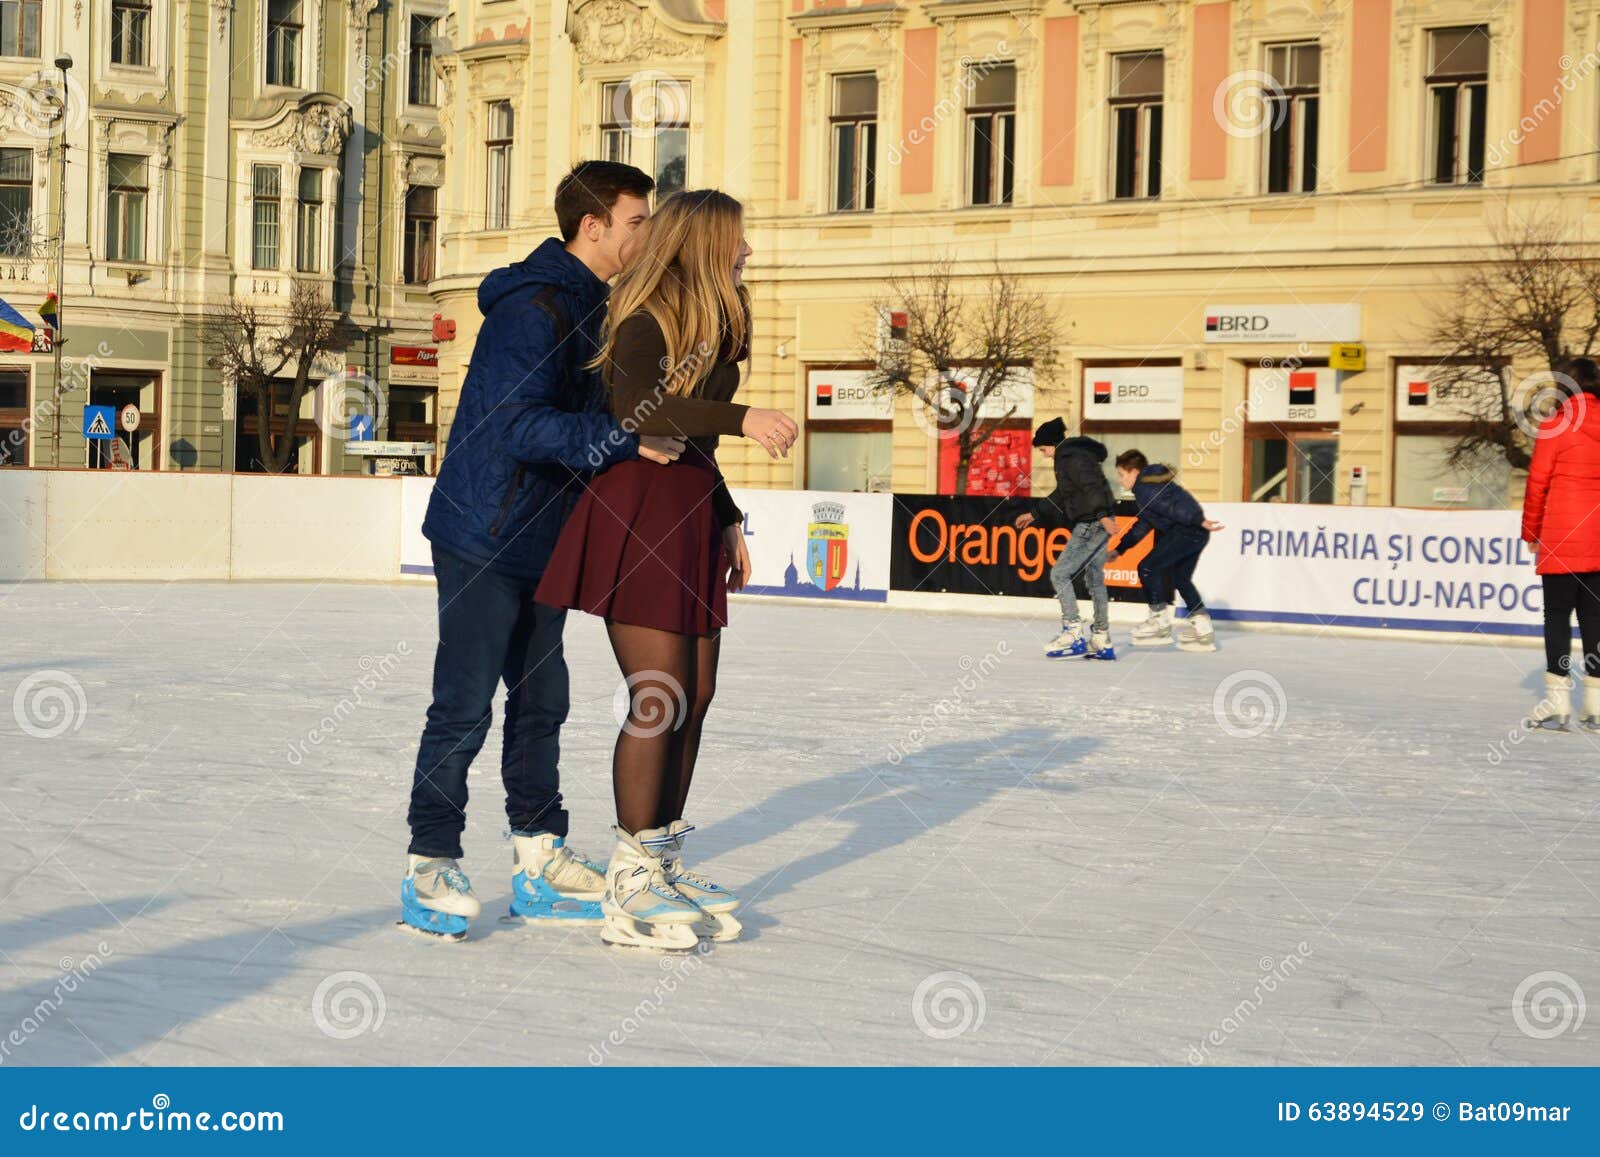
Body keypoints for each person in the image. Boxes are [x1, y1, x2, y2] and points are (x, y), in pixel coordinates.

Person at [401, 161, 689, 941]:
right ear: (592, 226)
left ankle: (538, 854)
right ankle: (430, 859)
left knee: (541, 703)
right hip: (485, 531)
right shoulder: (535, 307)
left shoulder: (603, 306)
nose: (645, 235)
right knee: (464, 704)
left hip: (546, 536)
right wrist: (622, 437)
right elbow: (517, 426)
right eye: (637, 222)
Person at [537, 189, 798, 950]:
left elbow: (695, 440)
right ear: (706, 243)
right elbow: (639, 411)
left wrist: (724, 516)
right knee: (660, 694)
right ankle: (629, 877)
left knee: (698, 692)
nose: (748, 252)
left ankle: (658, 853)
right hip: (636, 512)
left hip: (685, 509)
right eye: (738, 241)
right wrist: (744, 417)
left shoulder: (715, 324)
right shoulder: (644, 318)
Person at [1521, 356, 1600, 730]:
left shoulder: (1556, 425)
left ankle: (1558, 701)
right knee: (1595, 619)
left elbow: (1538, 484)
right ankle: (1596, 704)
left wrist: (1531, 532)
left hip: (1561, 536)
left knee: (1557, 617)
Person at [1014, 417, 1120, 660]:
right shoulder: (1075, 455)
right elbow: (1064, 493)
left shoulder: (1069, 458)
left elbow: (1092, 486)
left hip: (1092, 523)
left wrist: (1102, 516)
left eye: (1043, 449)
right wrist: (1034, 513)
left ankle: (1072, 631)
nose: (1044, 455)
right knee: (1094, 579)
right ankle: (1101, 638)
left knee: (1059, 573)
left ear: (1051, 444)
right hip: (1097, 521)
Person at [1106, 450, 1225, 651]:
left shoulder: (1145, 488)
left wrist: (1198, 520)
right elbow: (1143, 525)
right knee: (1181, 578)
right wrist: (1120, 549)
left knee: (1147, 567)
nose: (1119, 481)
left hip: (1186, 531)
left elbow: (1172, 508)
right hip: (1197, 534)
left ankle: (1159, 622)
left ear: (1134, 472)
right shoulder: (1151, 487)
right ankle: (1203, 627)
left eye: (1121, 475)